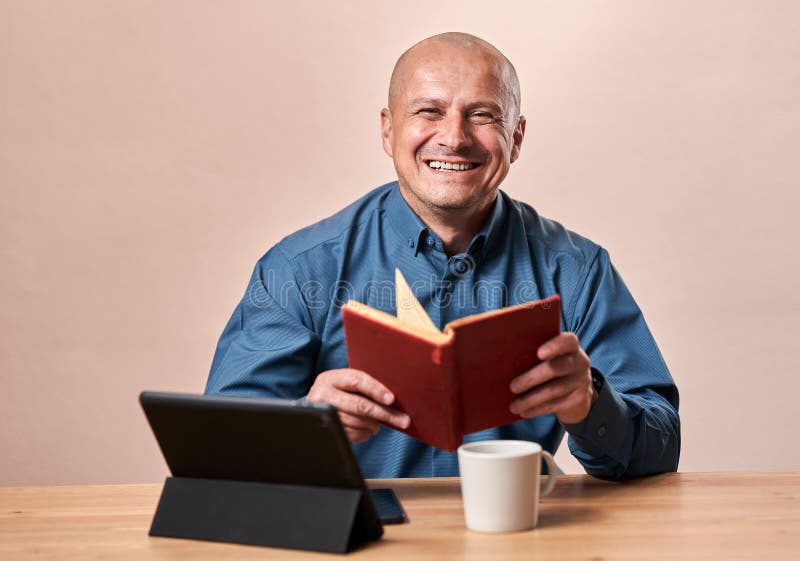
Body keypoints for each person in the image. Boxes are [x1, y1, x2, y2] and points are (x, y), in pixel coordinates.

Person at [205, 32, 680, 480]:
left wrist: (591, 403)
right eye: (429, 111)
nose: (454, 138)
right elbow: (217, 450)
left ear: (515, 138)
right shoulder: (299, 267)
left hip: (516, 539)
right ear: (389, 131)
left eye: (483, 115)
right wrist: (306, 428)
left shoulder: (578, 271)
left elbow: (662, 448)